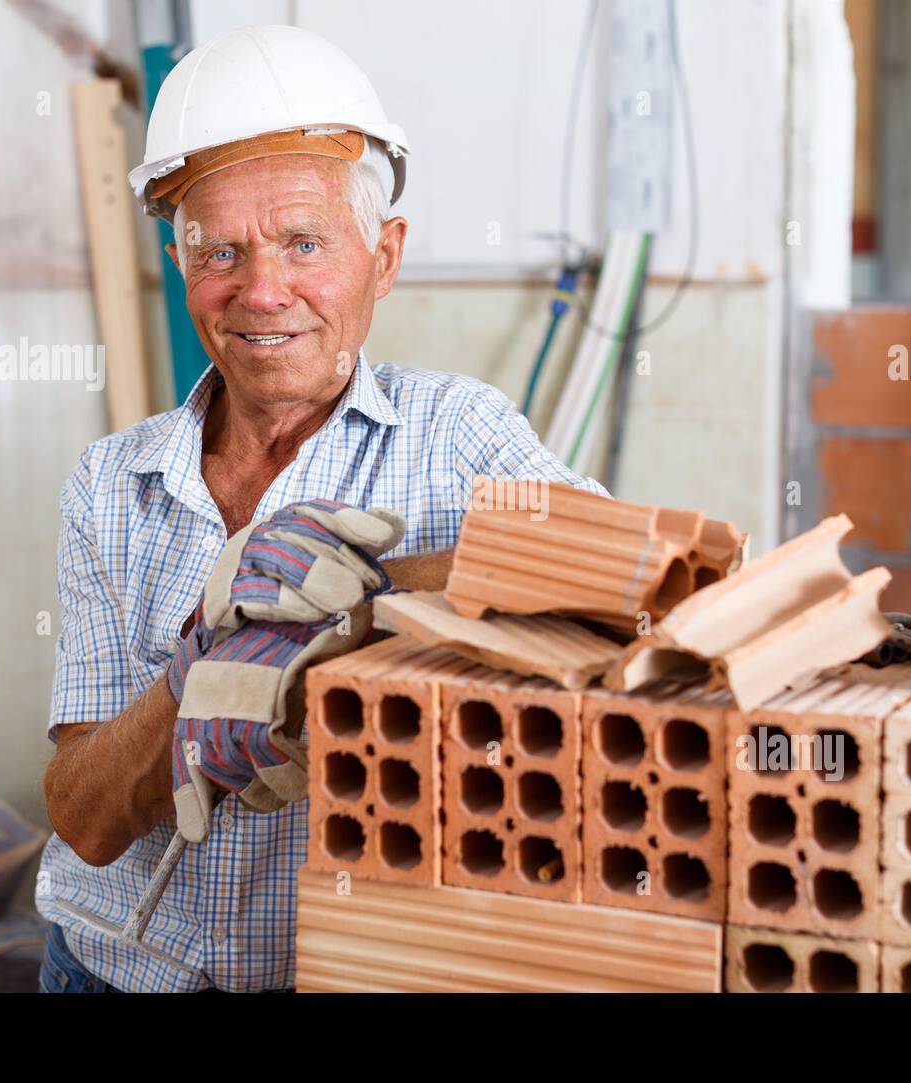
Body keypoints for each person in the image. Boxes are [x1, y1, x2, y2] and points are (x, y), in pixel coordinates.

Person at [36, 24, 605, 993]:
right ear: (182, 269)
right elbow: (84, 821)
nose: (262, 292)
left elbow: (627, 581)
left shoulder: (456, 433)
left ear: (383, 257)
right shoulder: (112, 482)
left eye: (304, 243)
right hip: (102, 971)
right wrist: (198, 668)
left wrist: (364, 603)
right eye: (220, 252)